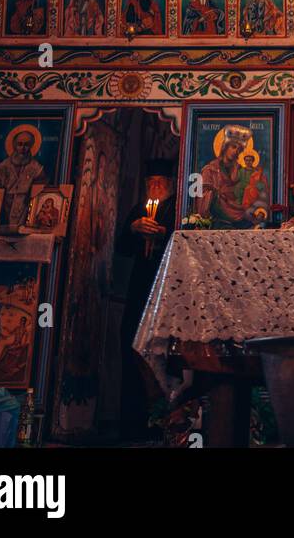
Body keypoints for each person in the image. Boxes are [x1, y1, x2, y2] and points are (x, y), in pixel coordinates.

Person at [116, 160, 176, 440]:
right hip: (140, 286)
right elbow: (122, 249)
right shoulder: (139, 211)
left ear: (171, 184)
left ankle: (168, 422)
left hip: (167, 287)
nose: (153, 188)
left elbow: (183, 242)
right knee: (132, 344)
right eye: (149, 183)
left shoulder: (177, 209)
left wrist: (163, 234)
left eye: (159, 183)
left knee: (165, 351)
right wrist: (133, 230)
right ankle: (132, 422)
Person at [0, 128, 47, 229]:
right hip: (4, 209)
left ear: (31, 146)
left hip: (25, 209)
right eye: (20, 144)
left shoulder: (37, 168)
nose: (23, 148)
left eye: (26, 145)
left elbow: (42, 192)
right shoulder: (3, 167)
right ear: (14, 145)